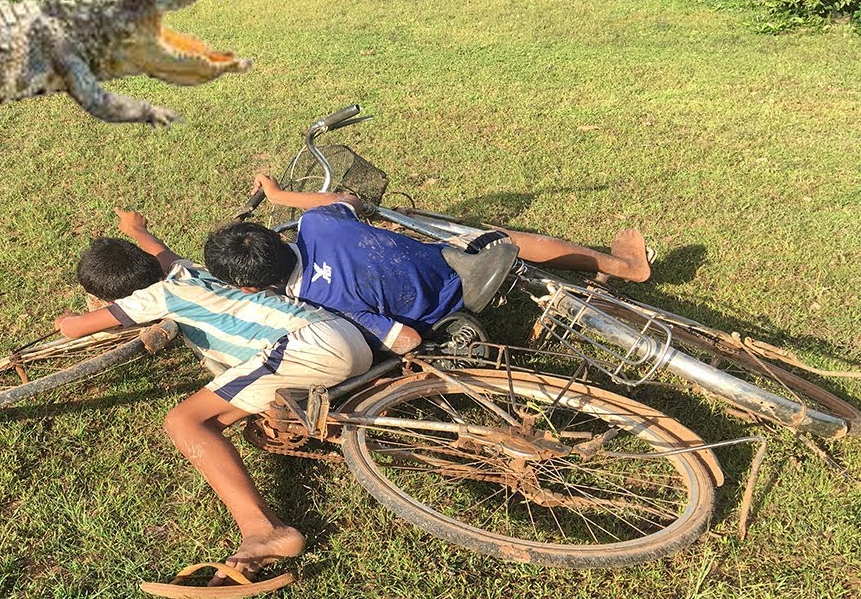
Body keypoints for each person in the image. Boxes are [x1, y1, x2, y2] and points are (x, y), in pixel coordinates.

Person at [54, 208, 373, 588]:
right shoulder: (187, 271)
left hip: (304, 346)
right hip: (340, 333)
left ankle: (262, 529)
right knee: (210, 422)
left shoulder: (152, 297)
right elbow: (159, 250)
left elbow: (76, 329)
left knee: (185, 422)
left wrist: (69, 320)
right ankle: (259, 536)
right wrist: (137, 228)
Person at [204, 173, 654, 355]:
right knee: (511, 239)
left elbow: (404, 338)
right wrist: (282, 196)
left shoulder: (315, 305)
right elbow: (348, 199)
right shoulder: (318, 224)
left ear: (249, 288)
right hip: (460, 269)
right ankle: (624, 266)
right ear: (273, 234)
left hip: (443, 318)